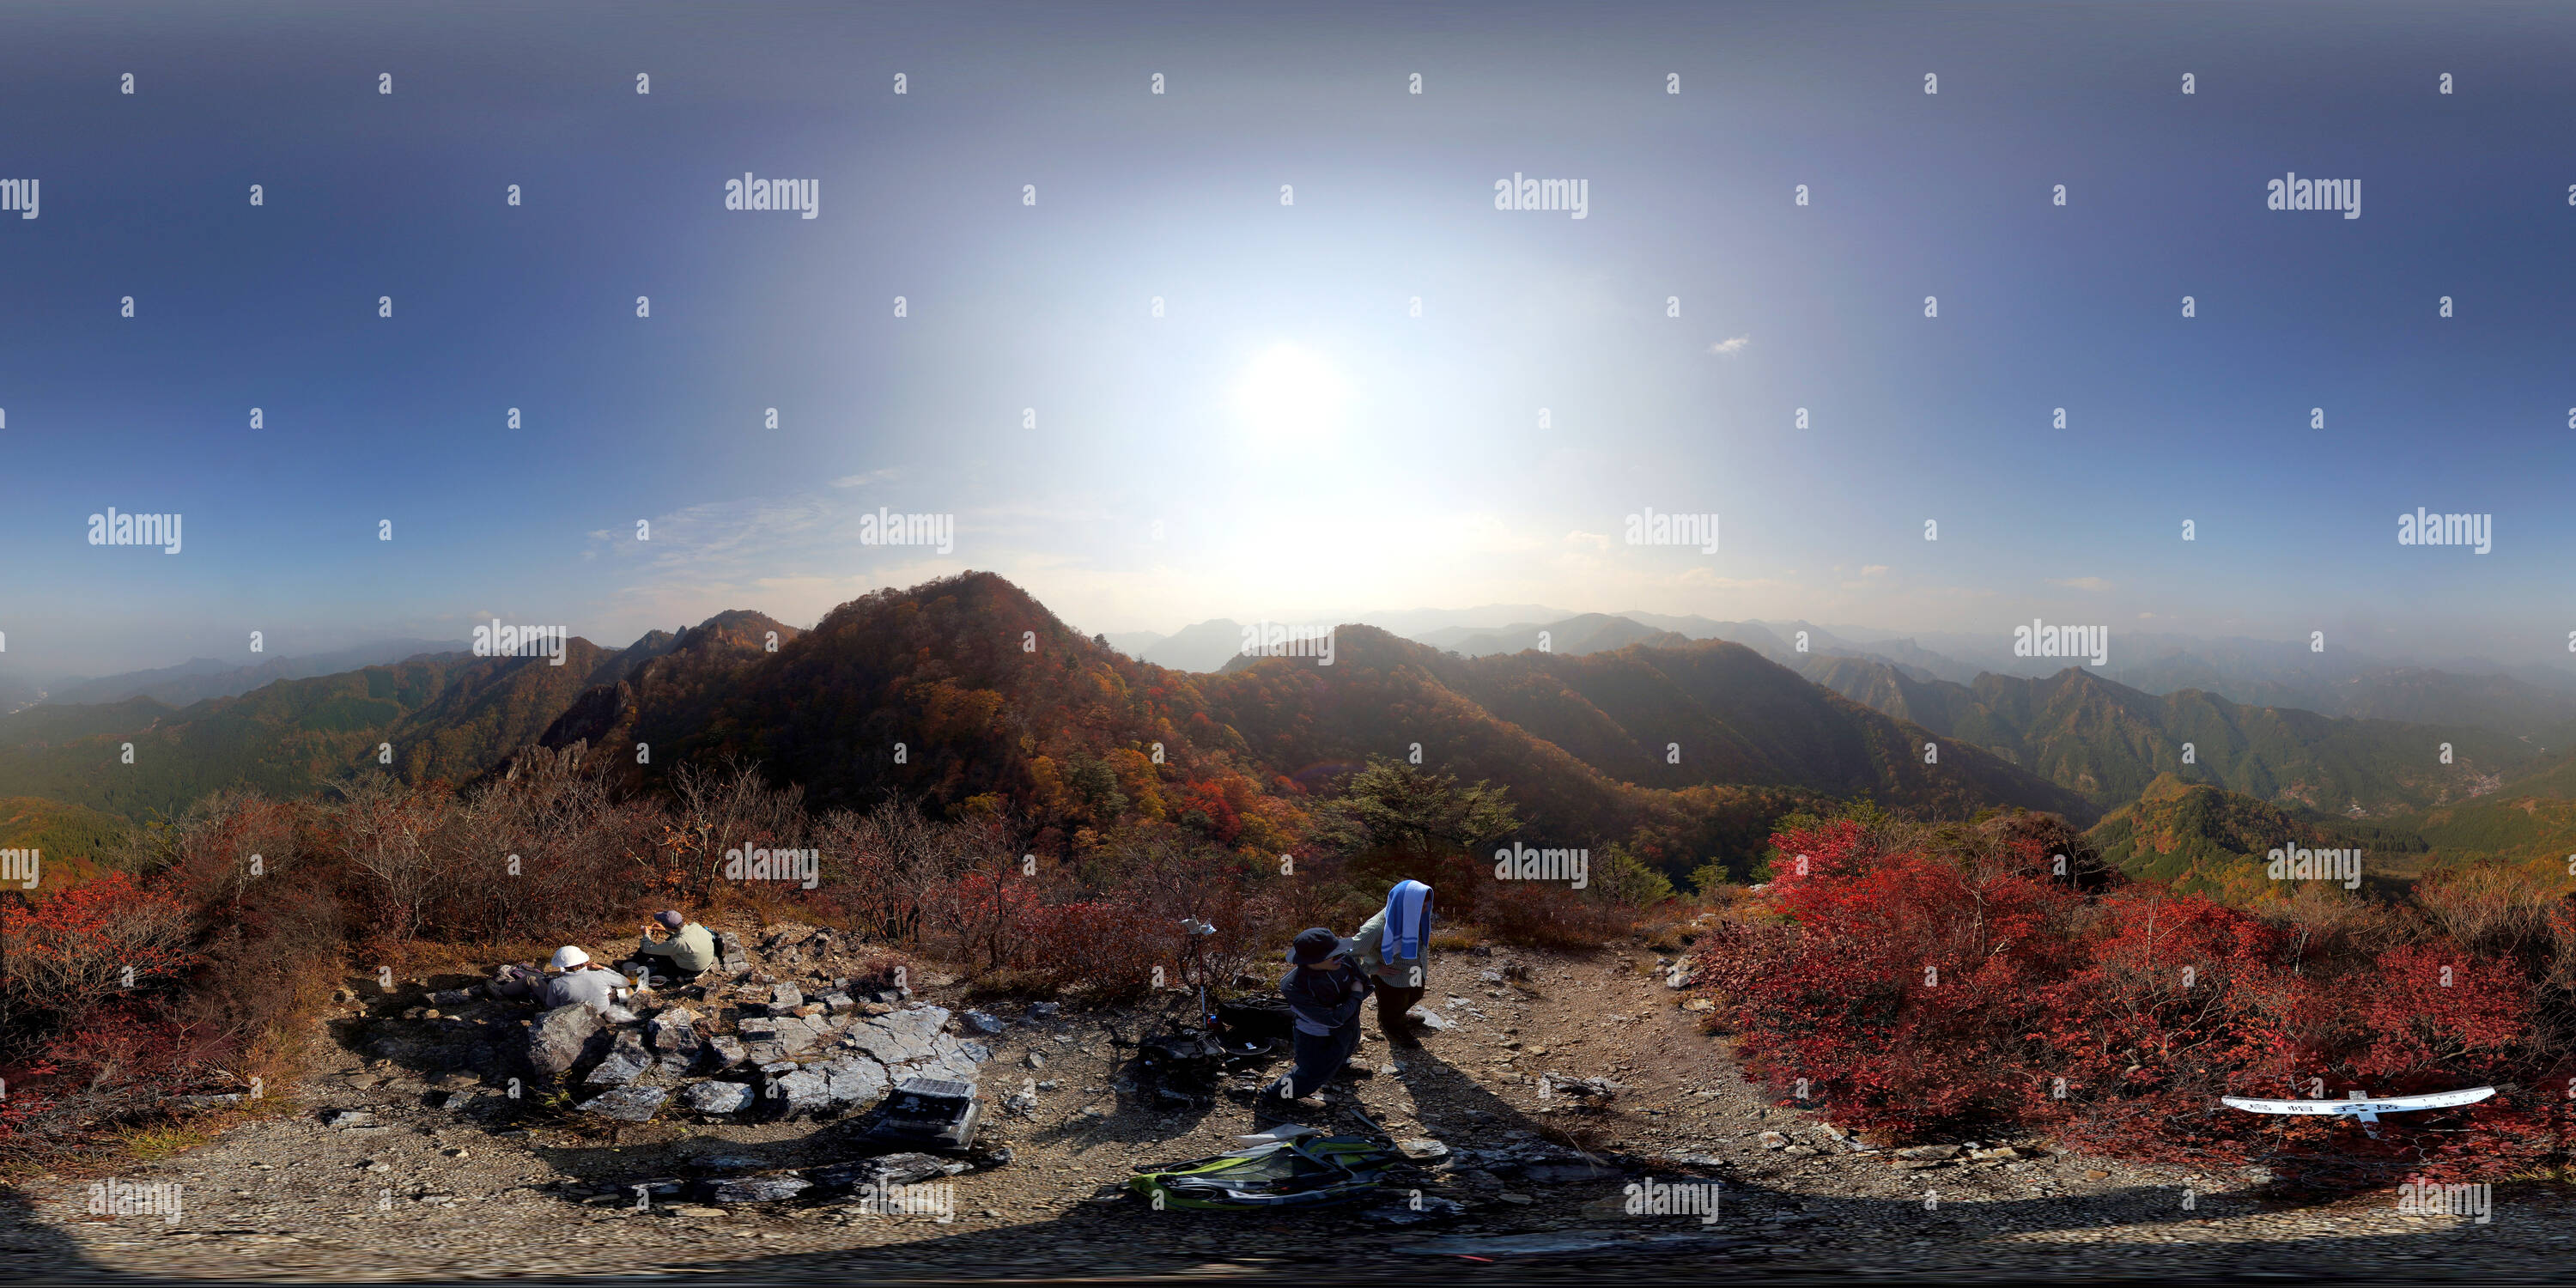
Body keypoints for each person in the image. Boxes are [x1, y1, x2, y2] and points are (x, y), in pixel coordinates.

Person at [1267, 927, 1374, 1107]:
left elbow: (1367, 985)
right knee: (1310, 1073)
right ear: (1312, 960)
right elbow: (1332, 1019)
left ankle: (1339, 1068)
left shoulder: (1344, 960)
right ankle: (1274, 1095)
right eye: (1334, 955)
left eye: (1341, 951)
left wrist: (1346, 1008)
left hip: (1349, 1025)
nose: (1342, 956)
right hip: (1318, 1037)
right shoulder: (1295, 985)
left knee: (1348, 1048)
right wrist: (1354, 997)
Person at [1353, 879, 1434, 1043]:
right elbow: (1350, 955)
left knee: (1416, 994)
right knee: (1392, 1005)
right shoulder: (1375, 927)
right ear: (1406, 905)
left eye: (1426, 905)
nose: (1426, 910)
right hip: (1390, 978)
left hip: (1415, 968)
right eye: (1421, 906)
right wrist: (1374, 969)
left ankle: (1400, 1015)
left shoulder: (1414, 915)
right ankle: (1391, 1025)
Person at [537, 945, 629, 1015]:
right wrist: (603, 968)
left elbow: (552, 1005)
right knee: (628, 991)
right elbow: (625, 982)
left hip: (575, 1015)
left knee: (530, 980)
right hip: (601, 1010)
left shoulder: (556, 983)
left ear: (563, 966)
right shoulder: (600, 974)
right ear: (583, 962)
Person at [631, 909, 718, 979]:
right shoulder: (695, 926)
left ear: (668, 926)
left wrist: (646, 935)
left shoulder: (678, 942)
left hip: (690, 971)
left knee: (647, 947)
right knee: (669, 942)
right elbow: (684, 937)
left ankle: (630, 965)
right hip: (706, 962)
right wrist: (665, 930)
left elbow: (648, 948)